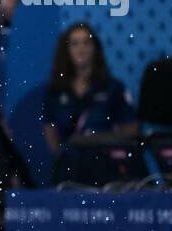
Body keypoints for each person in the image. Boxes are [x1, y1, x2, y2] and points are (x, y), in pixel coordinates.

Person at [42, 22, 137, 155]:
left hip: (105, 164)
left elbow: (130, 129)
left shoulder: (113, 88)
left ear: (95, 48)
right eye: (75, 44)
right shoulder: (55, 91)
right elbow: (50, 132)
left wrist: (103, 141)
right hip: (70, 167)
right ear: (66, 50)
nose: (81, 49)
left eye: (86, 43)